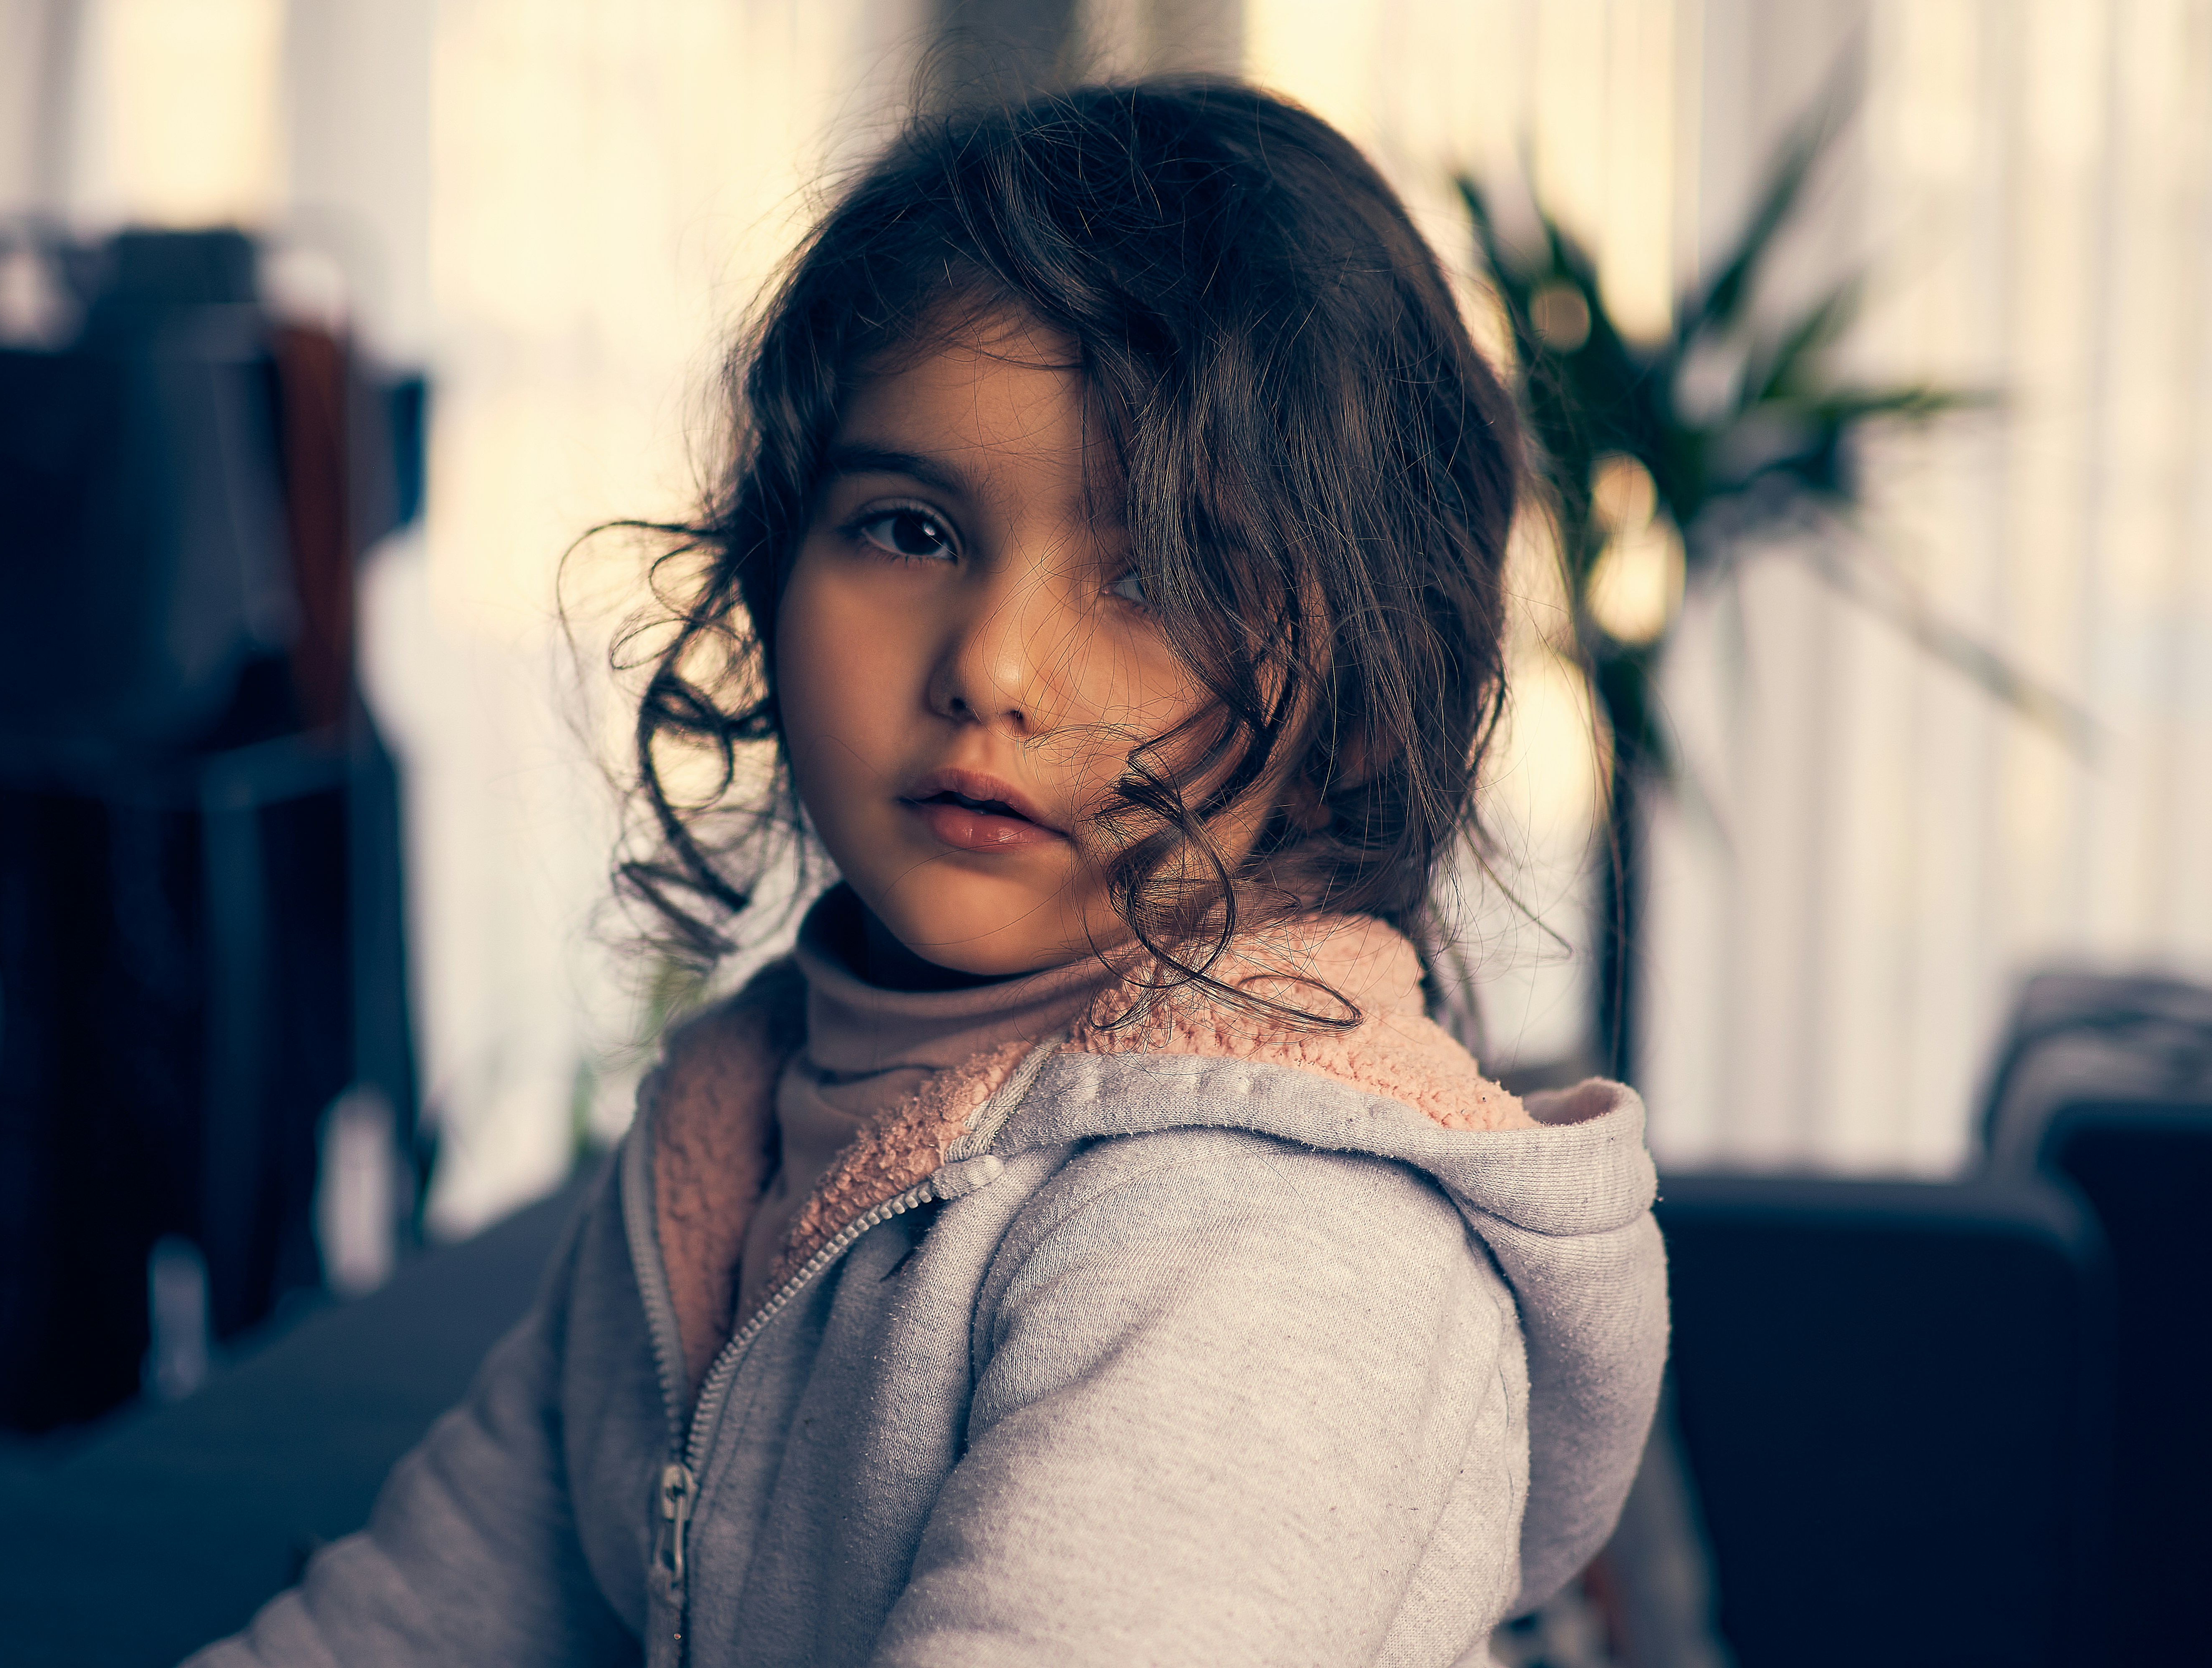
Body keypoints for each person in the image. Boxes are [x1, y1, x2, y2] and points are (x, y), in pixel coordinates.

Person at [193, 78, 1665, 1668]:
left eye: (1160, 574)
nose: (996, 667)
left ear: (1362, 705)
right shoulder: (733, 1127)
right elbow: (412, 1618)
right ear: (769, 574)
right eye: (909, 530)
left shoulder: (1280, 1247)